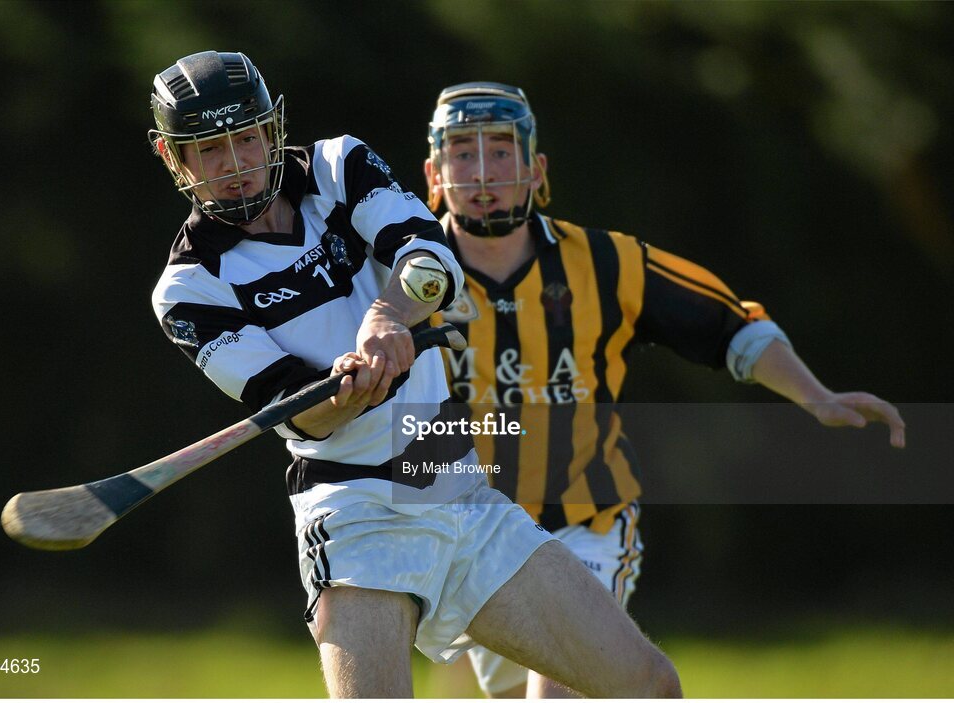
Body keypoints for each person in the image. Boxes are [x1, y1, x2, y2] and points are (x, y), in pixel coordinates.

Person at [146, 52, 682, 699]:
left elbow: (431, 259)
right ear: (172, 157)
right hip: (355, 511)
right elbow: (300, 412)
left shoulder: (337, 166)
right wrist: (350, 388)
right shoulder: (188, 290)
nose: (235, 163)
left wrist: (388, 314)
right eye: (209, 149)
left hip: (455, 480)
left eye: (246, 137)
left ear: (272, 128)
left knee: (647, 683)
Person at [423, 82, 907, 698]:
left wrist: (818, 397)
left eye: (500, 151)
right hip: (475, 535)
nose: (483, 172)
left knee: (560, 690)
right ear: (434, 174)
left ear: (536, 170)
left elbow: (731, 324)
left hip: (587, 522)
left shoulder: (608, 263)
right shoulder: (400, 278)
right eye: (463, 153)